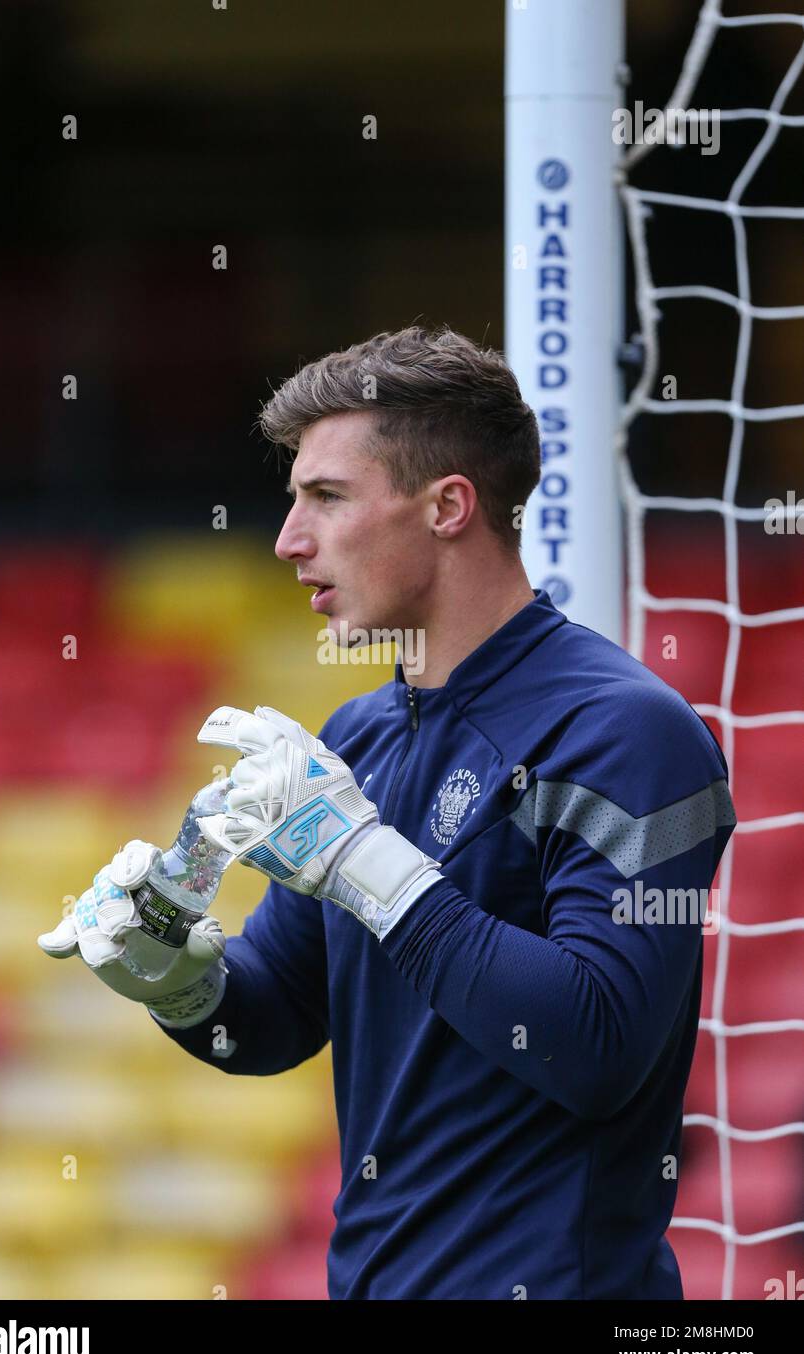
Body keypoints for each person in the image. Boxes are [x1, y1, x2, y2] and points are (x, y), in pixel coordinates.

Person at [39, 325, 736, 1300]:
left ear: (448, 506)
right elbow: (278, 1013)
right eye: (292, 500)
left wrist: (364, 860)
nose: (287, 538)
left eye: (325, 497)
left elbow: (596, 1044)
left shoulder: (623, 729)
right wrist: (178, 980)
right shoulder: (358, 735)